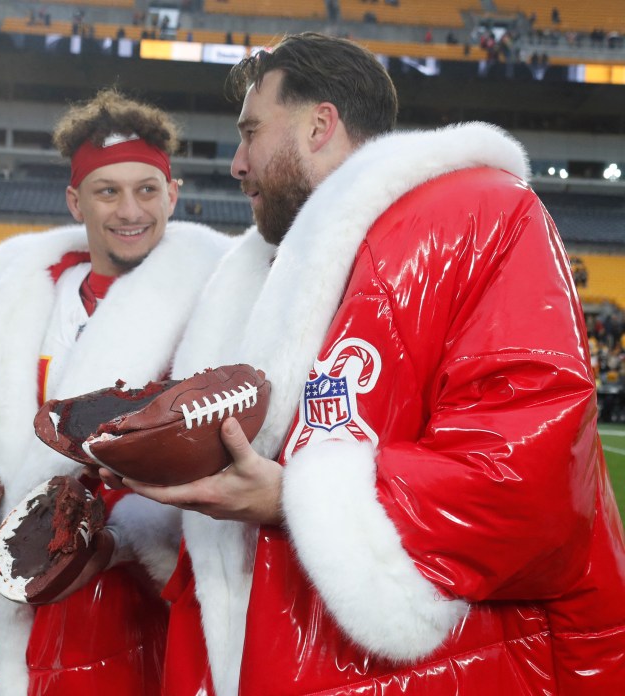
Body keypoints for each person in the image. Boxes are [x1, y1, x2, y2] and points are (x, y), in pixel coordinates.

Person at [111, 33, 625, 695]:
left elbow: (531, 479)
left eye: (251, 131)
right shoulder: (260, 270)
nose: (237, 163)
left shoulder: (481, 213)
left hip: (427, 672)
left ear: (319, 124)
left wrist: (291, 500)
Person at [0, 89, 230, 696]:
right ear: (75, 200)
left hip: (123, 610)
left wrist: (124, 537)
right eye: (107, 191)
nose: (129, 210)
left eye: (146, 189)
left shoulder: (213, 312)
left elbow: (219, 481)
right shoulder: (9, 302)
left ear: (173, 194)